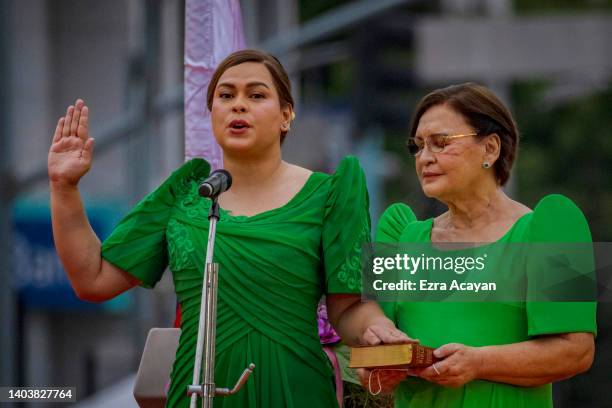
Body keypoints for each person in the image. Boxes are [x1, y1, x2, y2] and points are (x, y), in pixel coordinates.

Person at [48, 49, 411, 408]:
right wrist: (64, 188)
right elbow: (93, 278)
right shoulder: (185, 195)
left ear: (286, 115)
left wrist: (375, 330)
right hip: (196, 395)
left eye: (256, 95)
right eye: (226, 95)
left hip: (294, 391)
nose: (238, 105)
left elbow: (348, 308)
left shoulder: (331, 194)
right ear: (212, 114)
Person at [359, 83, 596, 407]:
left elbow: (577, 351)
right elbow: (371, 370)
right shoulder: (399, 236)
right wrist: (378, 366)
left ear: (490, 149)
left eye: (440, 143)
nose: (424, 158)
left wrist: (479, 363)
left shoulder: (551, 229)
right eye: (417, 146)